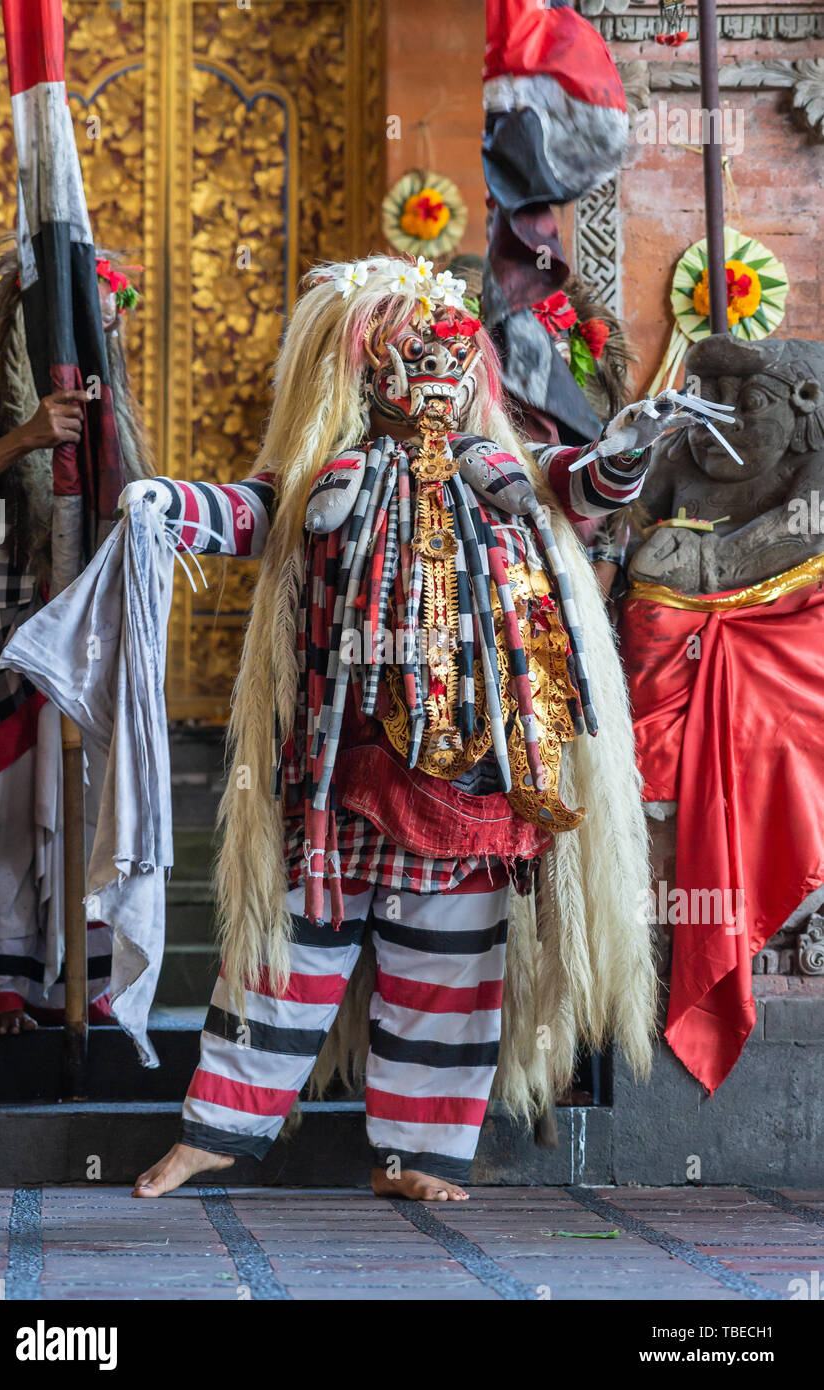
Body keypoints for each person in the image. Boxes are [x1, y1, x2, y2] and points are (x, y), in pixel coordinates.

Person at [122, 254, 697, 1201]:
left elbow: (580, 490)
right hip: (337, 760)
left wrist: (626, 448)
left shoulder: (499, 467)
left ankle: (413, 1157)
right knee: (288, 947)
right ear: (357, 369)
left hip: (473, 762)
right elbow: (254, 508)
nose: (431, 368)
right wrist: (167, 507)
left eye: (446, 352)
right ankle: (216, 1132)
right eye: (403, 351)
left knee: (451, 965)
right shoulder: (324, 473)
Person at [0, 241, 149, 1034]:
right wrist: (28, 438)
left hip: (77, 632)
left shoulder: (102, 394)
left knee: (81, 806)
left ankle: (77, 977)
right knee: (0, 812)